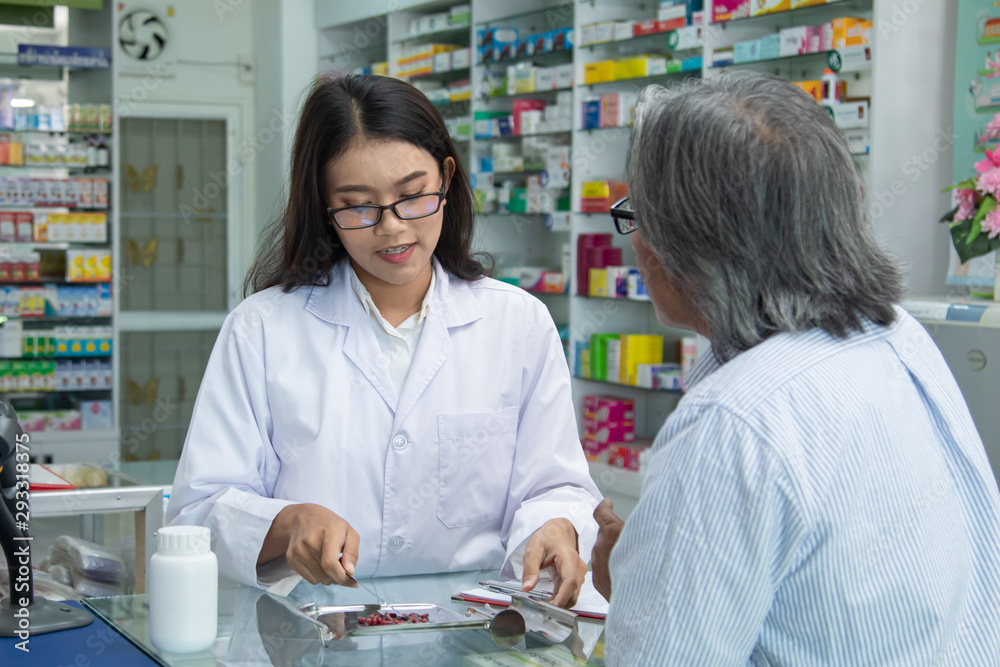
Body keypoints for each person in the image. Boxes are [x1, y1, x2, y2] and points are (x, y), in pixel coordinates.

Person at [591, 72, 1000, 665]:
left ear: (686, 243)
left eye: (639, 218)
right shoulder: (894, 336)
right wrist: (663, 573)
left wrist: (640, 599)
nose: (639, 246)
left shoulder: (734, 419)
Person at [166, 73, 600, 607]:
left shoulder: (518, 324)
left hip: (476, 635)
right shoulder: (262, 329)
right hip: (315, 634)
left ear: (446, 178)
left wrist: (557, 526)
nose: (391, 228)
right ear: (322, 205)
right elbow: (197, 511)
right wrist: (285, 522)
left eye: (413, 195)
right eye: (358, 206)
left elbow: (555, 484)